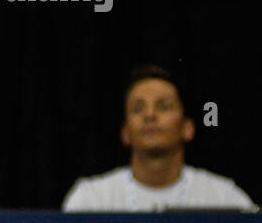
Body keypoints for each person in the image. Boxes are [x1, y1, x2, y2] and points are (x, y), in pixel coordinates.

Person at [62, 65, 255, 211]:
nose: (150, 115)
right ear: (125, 132)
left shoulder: (224, 199)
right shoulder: (91, 199)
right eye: (138, 108)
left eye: (163, 106)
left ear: (188, 128)